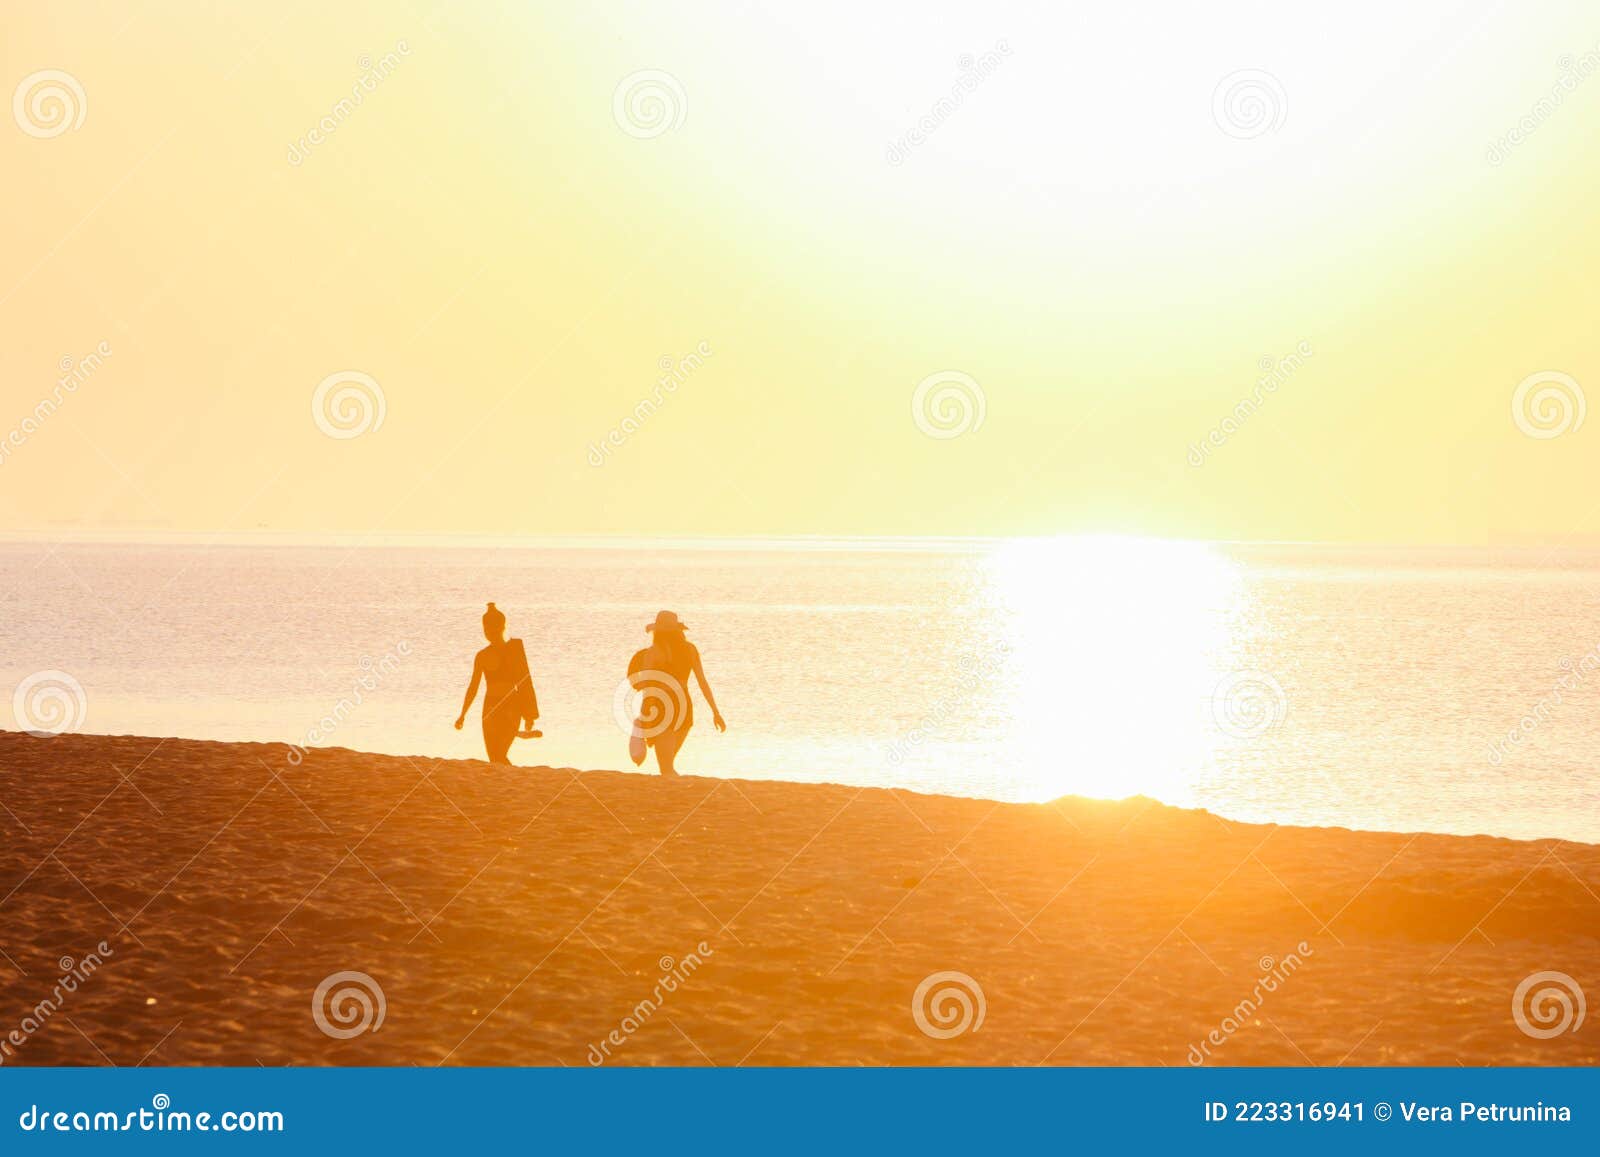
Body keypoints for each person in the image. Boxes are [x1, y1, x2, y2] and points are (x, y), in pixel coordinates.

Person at [626, 610, 725, 776]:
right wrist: (715, 712)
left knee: (666, 768)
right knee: (668, 765)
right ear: (678, 631)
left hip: (661, 705)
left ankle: (670, 795)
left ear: (657, 631)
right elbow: (702, 682)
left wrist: (645, 715)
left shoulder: (654, 652)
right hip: (684, 706)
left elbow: (649, 686)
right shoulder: (690, 649)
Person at [454, 602, 540, 764]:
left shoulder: (511, 650)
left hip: (506, 708)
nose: (489, 632)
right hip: (496, 709)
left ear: (501, 627)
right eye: (487, 629)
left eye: (492, 628)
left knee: (498, 755)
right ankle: (512, 783)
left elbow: (524, 681)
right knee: (495, 757)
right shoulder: (487, 655)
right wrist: (462, 714)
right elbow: (474, 687)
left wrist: (529, 715)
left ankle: (513, 783)